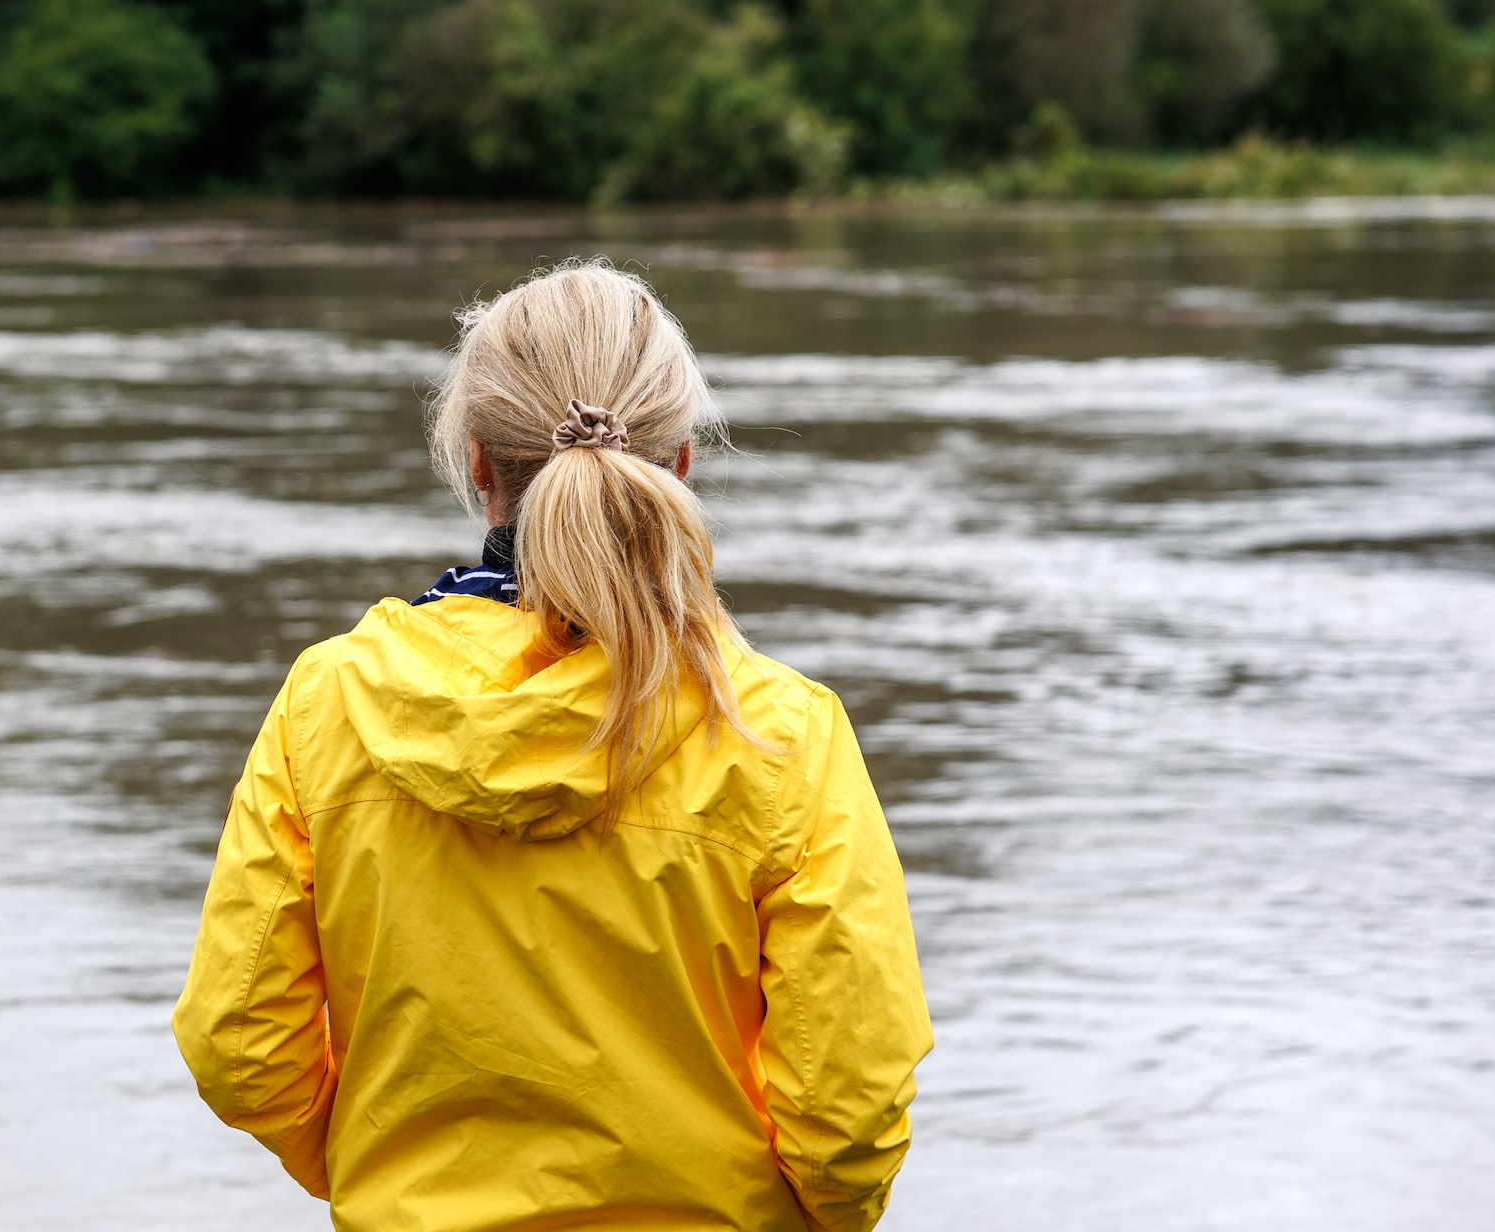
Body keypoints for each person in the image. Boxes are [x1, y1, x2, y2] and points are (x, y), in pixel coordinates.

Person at [172, 262, 932, 1232]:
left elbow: (239, 1042)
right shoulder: (779, 731)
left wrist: (381, 1163)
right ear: (683, 462)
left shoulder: (330, 703)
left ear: (479, 461)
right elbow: (848, 1101)